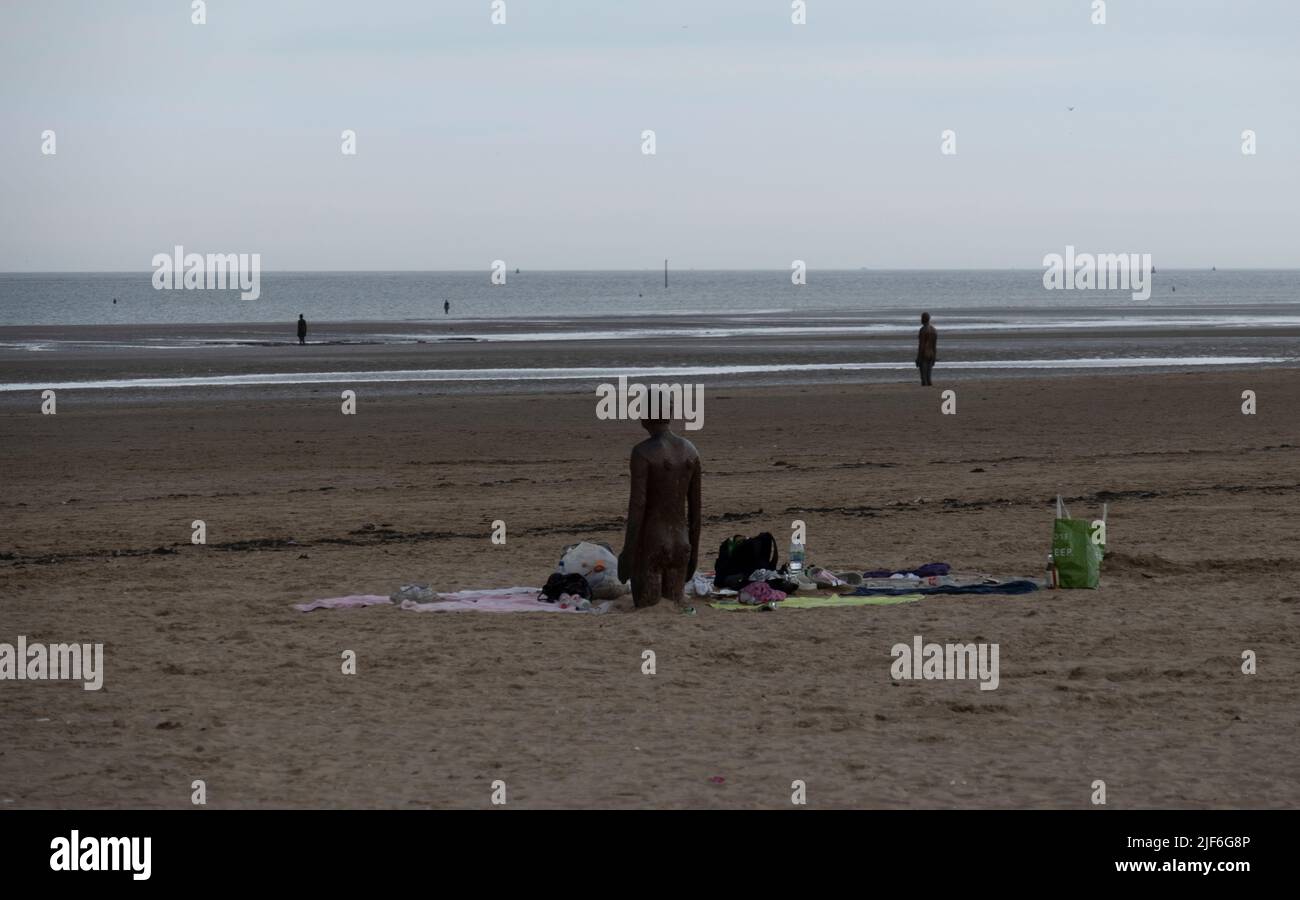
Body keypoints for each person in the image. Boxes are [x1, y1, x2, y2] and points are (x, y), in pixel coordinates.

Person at [617, 409, 702, 610]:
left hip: (652, 545)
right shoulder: (690, 450)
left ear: (647, 416)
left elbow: (637, 506)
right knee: (674, 602)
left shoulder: (642, 452)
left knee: (647, 604)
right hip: (681, 544)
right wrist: (693, 556)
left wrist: (627, 555)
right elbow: (696, 512)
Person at [916, 312, 937, 386]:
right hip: (931, 353)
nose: (920, 319)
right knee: (929, 375)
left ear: (923, 319)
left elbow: (921, 345)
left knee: (924, 376)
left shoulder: (923, 330)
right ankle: (929, 386)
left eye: (921, 318)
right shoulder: (934, 330)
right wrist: (934, 356)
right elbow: (934, 345)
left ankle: (925, 389)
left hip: (924, 354)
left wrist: (918, 357)